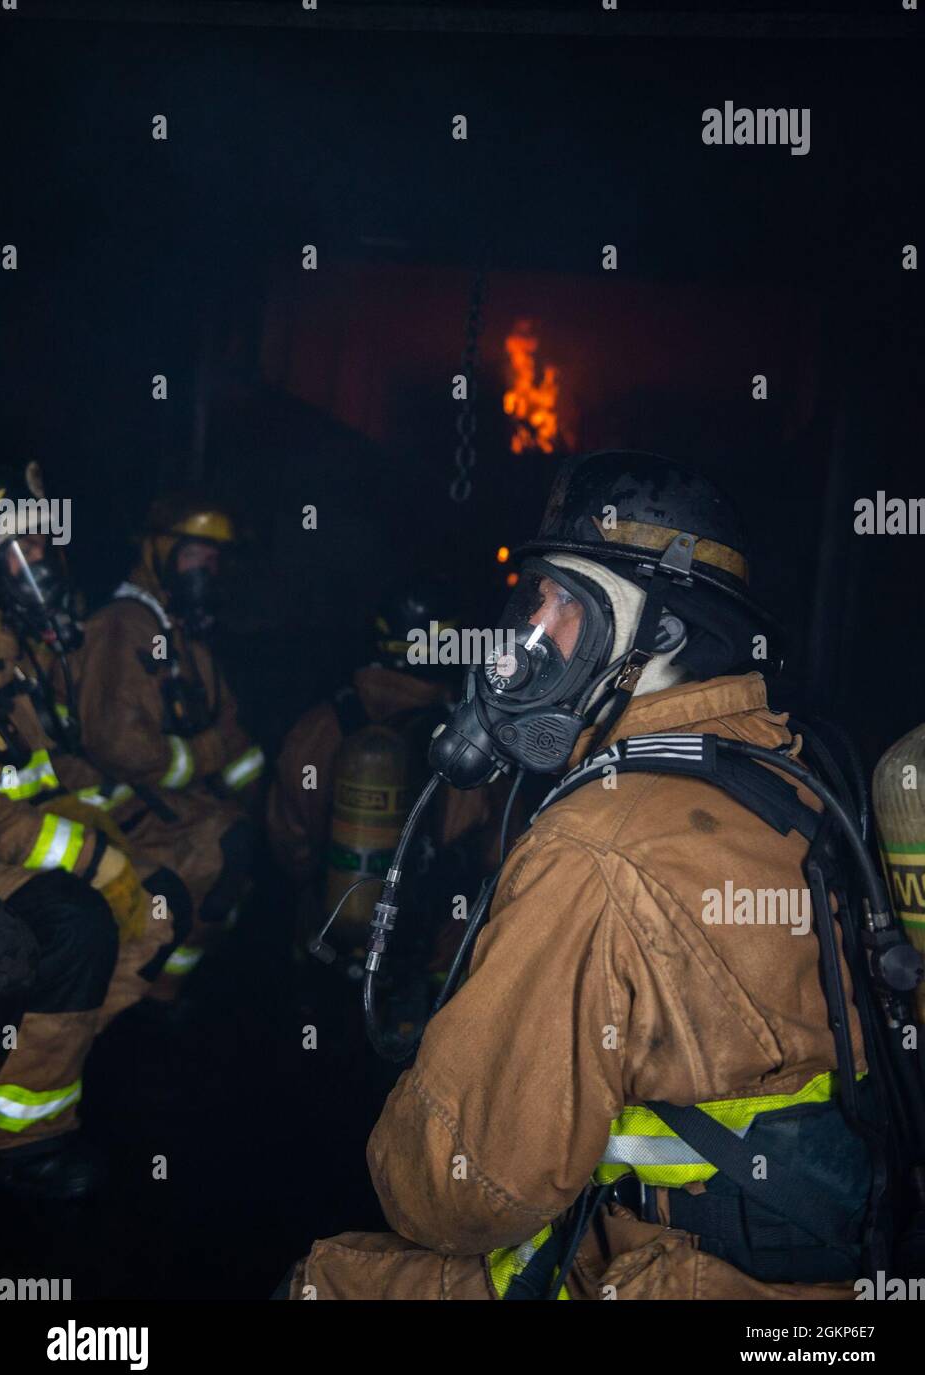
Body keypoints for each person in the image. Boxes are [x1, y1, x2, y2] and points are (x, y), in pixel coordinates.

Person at [289, 449, 889, 1301]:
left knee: (328, 1284)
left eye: (564, 601)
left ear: (656, 636)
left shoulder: (599, 843)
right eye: (533, 597)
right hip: (832, 1288)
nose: (525, 635)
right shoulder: (794, 780)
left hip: (674, 1279)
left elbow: (458, 1191)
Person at [0, 463, 176, 1197]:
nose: (36, 560)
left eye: (41, 542)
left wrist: (112, 821)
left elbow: (35, 774)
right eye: (16, 547)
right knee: (75, 924)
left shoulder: (13, 654)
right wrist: (94, 855)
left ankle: (52, 1059)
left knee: (154, 895)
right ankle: (24, 1141)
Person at [63, 491, 261, 995]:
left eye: (216, 558)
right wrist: (207, 757)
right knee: (219, 852)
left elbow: (228, 723)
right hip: (117, 804)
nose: (207, 568)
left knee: (238, 849)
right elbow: (120, 746)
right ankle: (154, 998)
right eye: (195, 553)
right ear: (158, 550)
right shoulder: (122, 625)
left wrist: (256, 794)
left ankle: (176, 988)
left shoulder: (181, 631)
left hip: (168, 798)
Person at [268, 579, 509, 993]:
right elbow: (496, 851)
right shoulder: (474, 746)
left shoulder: (319, 726)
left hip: (326, 945)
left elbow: (288, 837)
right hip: (430, 961)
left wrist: (325, 884)